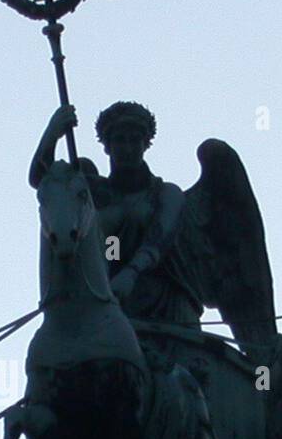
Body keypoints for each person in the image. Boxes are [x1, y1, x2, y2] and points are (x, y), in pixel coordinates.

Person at [29, 101, 203, 330]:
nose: (128, 148)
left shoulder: (166, 194)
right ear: (107, 146)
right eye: (120, 140)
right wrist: (52, 133)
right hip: (111, 301)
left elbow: (158, 242)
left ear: (146, 144)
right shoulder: (93, 192)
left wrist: (131, 273)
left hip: (165, 305)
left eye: (135, 140)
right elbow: (43, 181)